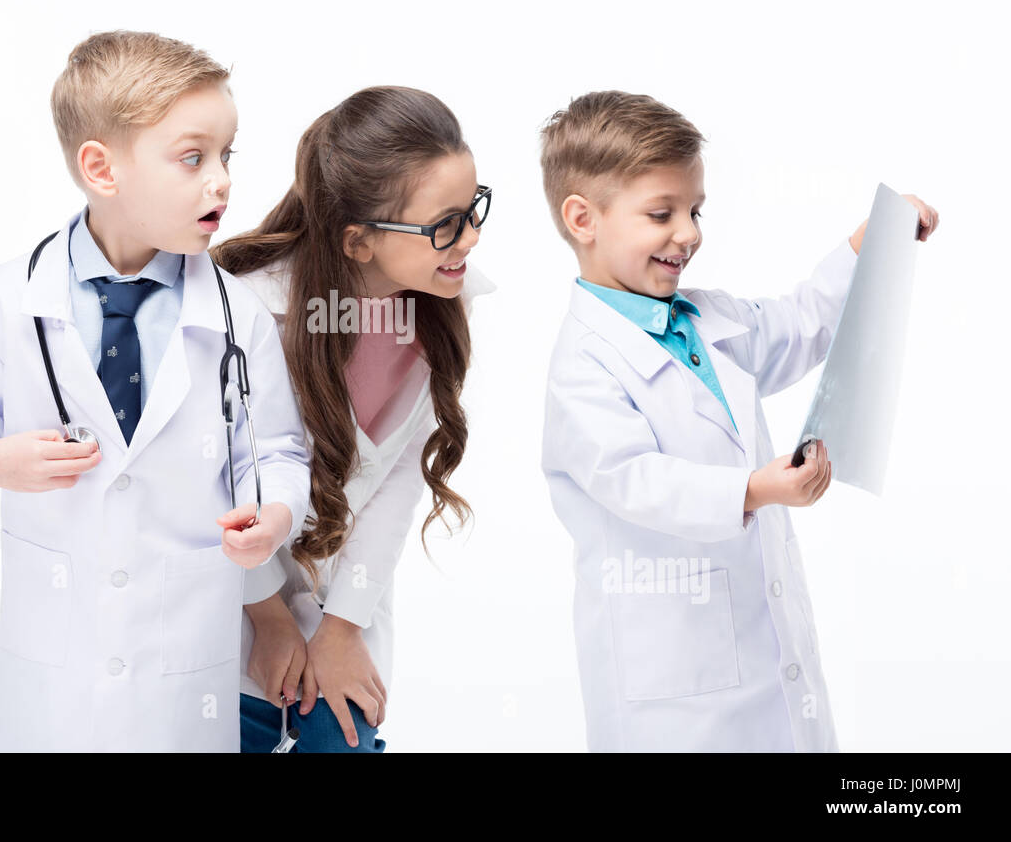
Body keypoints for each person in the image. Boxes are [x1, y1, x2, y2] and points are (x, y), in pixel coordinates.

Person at [0, 30, 311, 752]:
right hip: (55, 658)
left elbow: (277, 447)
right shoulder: (7, 299)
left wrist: (276, 510)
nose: (220, 180)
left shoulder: (236, 314)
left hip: (185, 661)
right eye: (193, 157)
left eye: (227, 156)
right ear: (101, 168)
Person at [538, 90, 939, 751]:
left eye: (695, 210)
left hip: (760, 659)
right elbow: (635, 479)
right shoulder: (583, 364)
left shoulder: (706, 318)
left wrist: (866, 244)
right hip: (670, 695)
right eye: (661, 213)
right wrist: (754, 489)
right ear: (584, 218)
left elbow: (798, 323)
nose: (689, 232)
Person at [212, 86, 495, 751]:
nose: (472, 238)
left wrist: (339, 629)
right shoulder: (252, 312)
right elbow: (218, 477)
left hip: (342, 601)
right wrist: (269, 614)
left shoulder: (439, 302)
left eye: (475, 209)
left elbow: (396, 485)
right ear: (359, 241)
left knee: (337, 735)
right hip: (235, 595)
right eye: (446, 224)